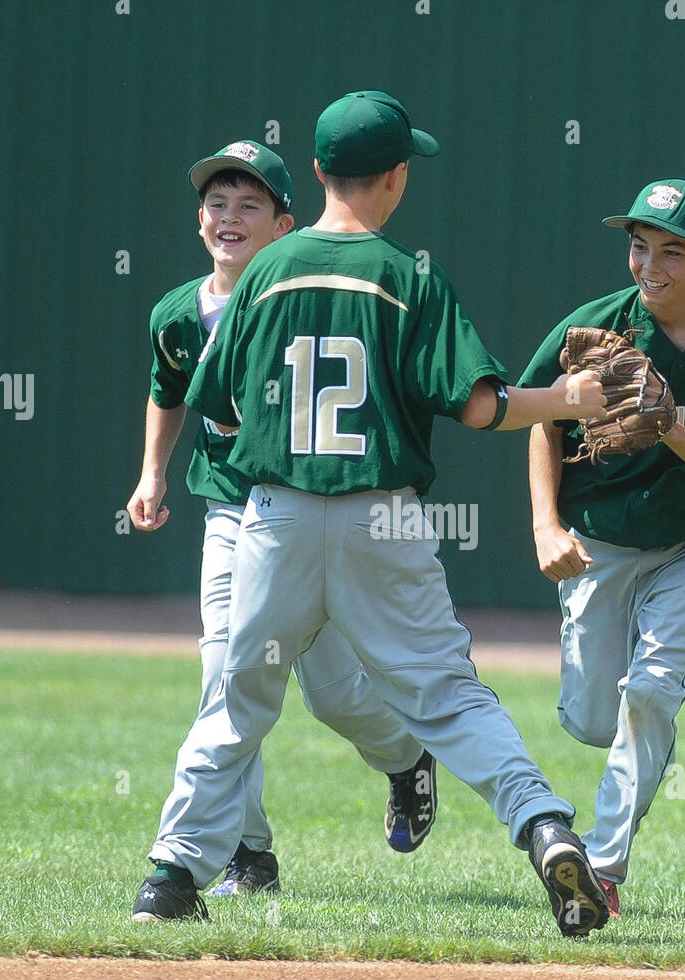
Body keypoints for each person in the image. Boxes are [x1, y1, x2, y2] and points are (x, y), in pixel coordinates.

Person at [147, 90, 612, 937]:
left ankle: (172, 875)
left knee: (239, 695)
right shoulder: (410, 277)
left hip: (276, 514)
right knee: (447, 697)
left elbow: (216, 408)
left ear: (319, 172)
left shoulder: (263, 278)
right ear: (397, 177)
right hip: (382, 518)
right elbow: (479, 406)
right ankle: (544, 825)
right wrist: (567, 398)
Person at [128, 139, 437, 921]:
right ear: (200, 218)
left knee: (335, 695)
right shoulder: (176, 311)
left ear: (285, 224)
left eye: (249, 204)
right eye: (217, 202)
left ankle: (407, 757)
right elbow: (169, 389)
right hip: (236, 512)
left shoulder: (305, 299)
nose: (229, 216)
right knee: (228, 676)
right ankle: (245, 854)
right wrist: (152, 473)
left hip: (314, 512)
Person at [519, 179, 685, 918]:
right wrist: (544, 525)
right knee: (596, 719)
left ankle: (601, 868)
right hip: (600, 541)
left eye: (671, 251)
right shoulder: (596, 326)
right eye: (638, 246)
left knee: (651, 693)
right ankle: (642, 745)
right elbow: (540, 420)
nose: (649, 264)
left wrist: (669, 427)